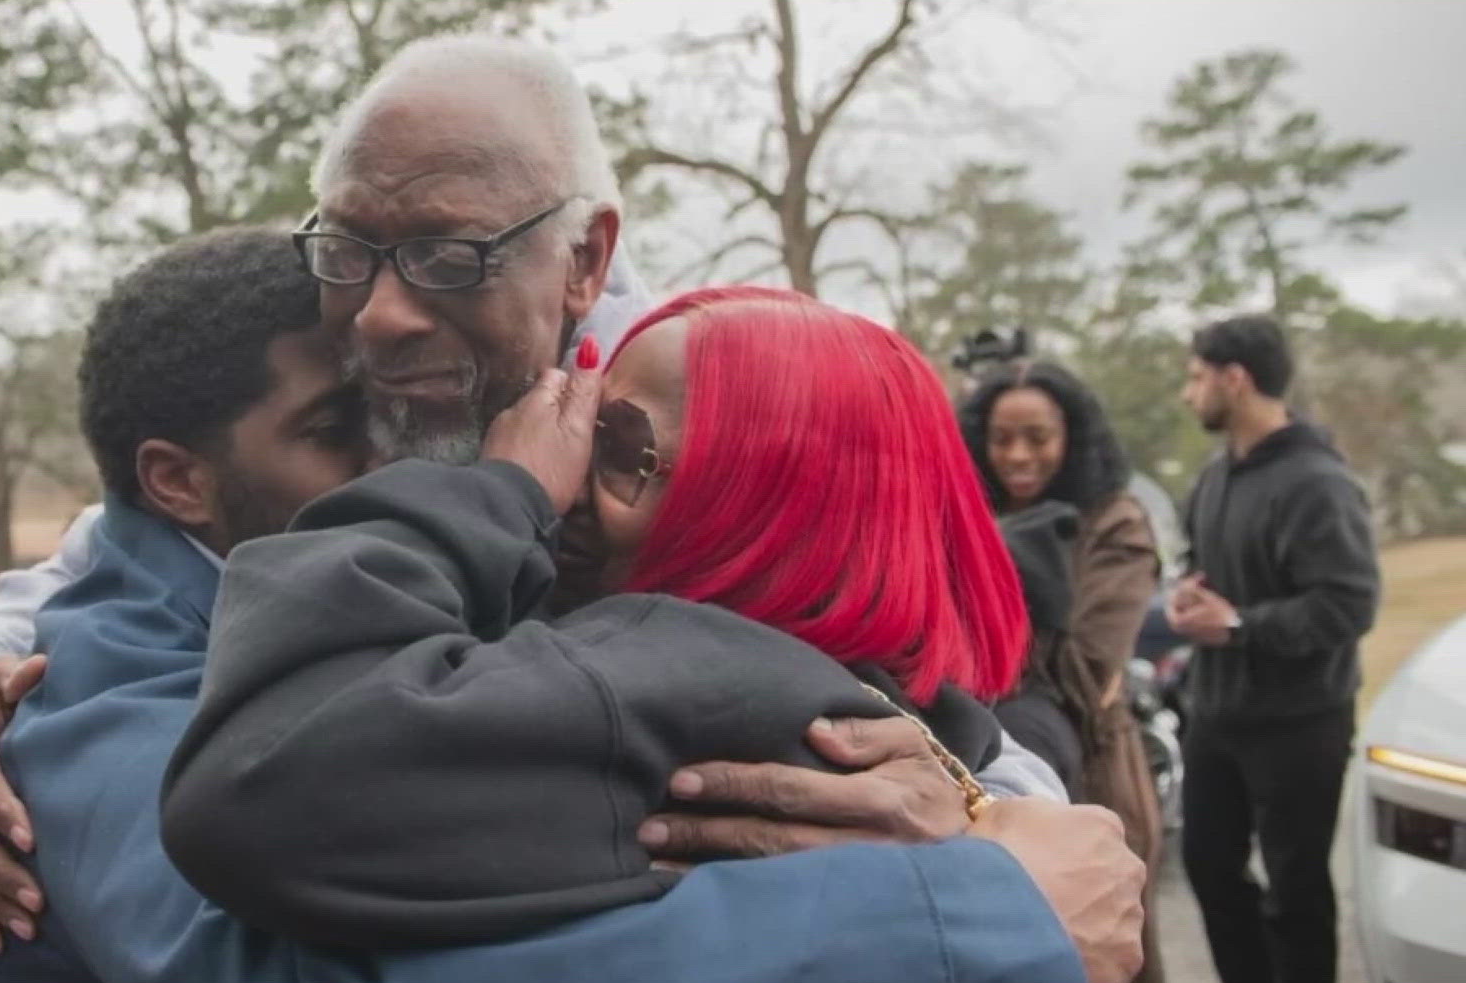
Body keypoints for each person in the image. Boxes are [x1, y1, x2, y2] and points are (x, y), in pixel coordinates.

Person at [0, 33, 1075, 957]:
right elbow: (135, 542)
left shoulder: (673, 395)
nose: (381, 315)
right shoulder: (368, 366)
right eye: (347, 249)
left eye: (449, 257)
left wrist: (998, 826)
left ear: (585, 262)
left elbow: (886, 623)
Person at [0, 232, 1134, 983]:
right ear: (178, 482)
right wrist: (978, 914)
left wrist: (987, 800)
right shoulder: (82, 699)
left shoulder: (504, 600)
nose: (411, 451)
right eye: (341, 425)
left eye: (416, 398)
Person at [162, 286, 1066, 948]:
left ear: (764, 498)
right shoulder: (895, 719)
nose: (567, 481)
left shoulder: (672, 674)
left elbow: (255, 780)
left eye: (620, 443)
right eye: (580, 427)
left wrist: (496, 492)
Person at [1171, 316, 1380, 983]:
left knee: (1296, 891)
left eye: (1197, 376)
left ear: (1236, 379)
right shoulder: (1216, 475)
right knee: (1208, 865)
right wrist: (1190, 595)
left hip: (1301, 722)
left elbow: (1350, 605)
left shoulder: (1318, 481)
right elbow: (1204, 563)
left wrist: (1239, 625)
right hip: (1216, 714)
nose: (1189, 391)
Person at [959, 360, 1169, 983]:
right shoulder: (973, 514)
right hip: (984, 762)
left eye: (1038, 437)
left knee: (1113, 961)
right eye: (1002, 439)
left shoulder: (1114, 522)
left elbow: (1087, 664)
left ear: (1072, 437)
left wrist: (980, 625)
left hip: (1093, 761)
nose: (1019, 455)